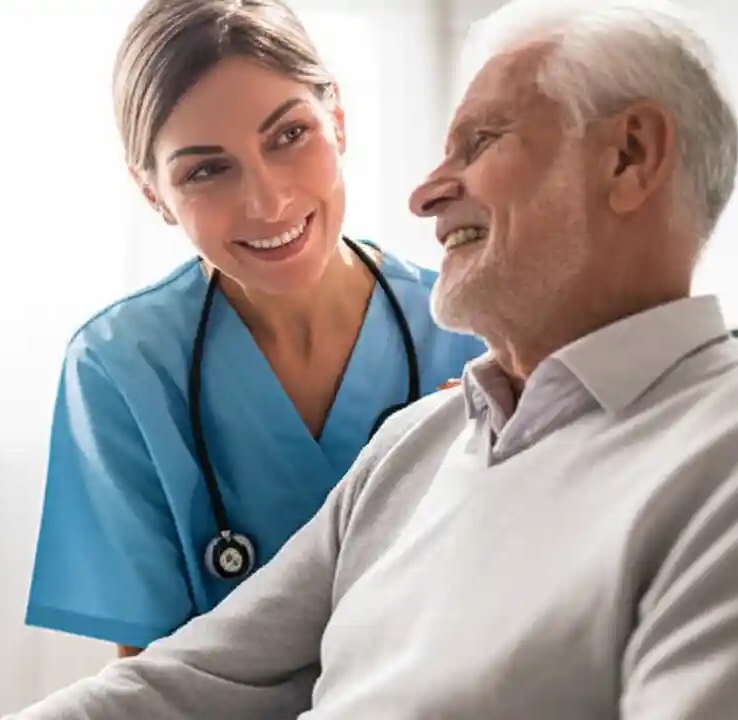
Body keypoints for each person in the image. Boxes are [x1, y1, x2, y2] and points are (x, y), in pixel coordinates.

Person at [8, 0, 738, 717]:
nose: (423, 193)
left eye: (482, 141)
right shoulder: (419, 440)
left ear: (629, 155)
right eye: (209, 168)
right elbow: (178, 685)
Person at [25, 0, 486, 657]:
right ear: (153, 194)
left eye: (290, 135)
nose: (268, 202)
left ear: (340, 123)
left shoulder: (473, 329)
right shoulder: (122, 366)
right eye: (207, 170)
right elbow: (146, 679)